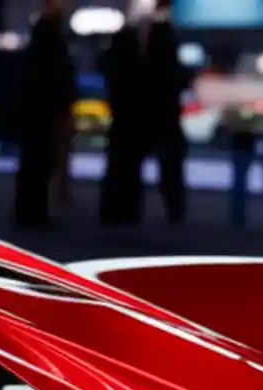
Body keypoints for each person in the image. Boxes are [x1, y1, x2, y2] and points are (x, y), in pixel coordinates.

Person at [100, 0, 187, 225]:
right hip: (149, 112)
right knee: (156, 164)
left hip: (138, 112)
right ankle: (134, 210)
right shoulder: (156, 36)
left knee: (130, 163)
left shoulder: (136, 37)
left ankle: (125, 210)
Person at [13, 0, 76, 228]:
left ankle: (31, 210)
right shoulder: (50, 37)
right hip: (44, 110)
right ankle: (33, 212)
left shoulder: (43, 36)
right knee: (39, 161)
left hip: (39, 109)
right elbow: (55, 76)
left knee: (36, 161)